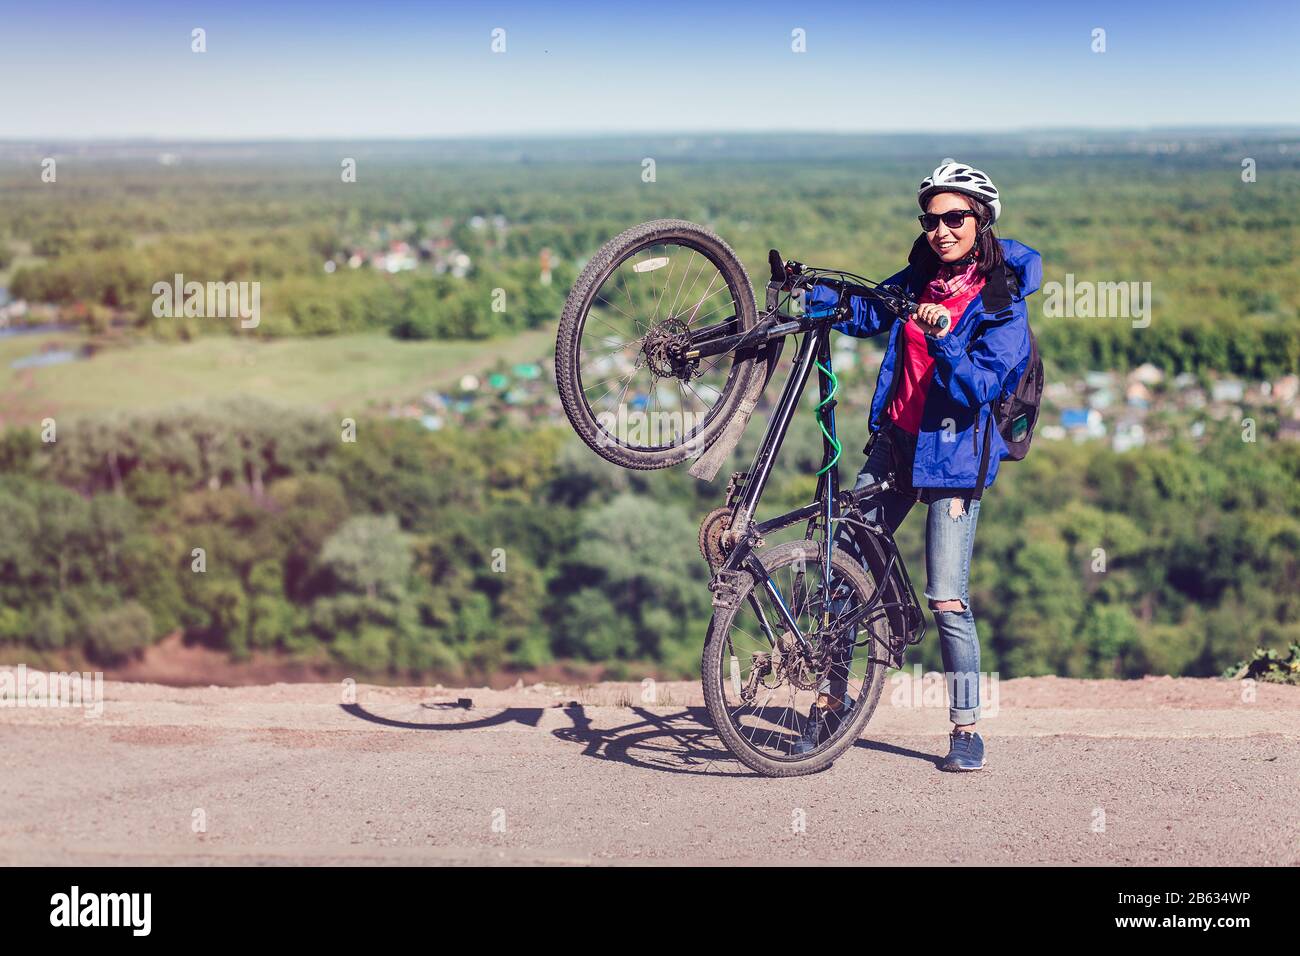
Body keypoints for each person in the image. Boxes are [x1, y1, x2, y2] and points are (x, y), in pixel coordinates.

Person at [795, 160, 1041, 771]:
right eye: (932, 219)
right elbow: (872, 311)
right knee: (838, 566)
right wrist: (815, 294)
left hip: (955, 458)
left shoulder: (1002, 300)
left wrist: (944, 337)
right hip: (897, 445)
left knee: (947, 599)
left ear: (981, 222)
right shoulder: (921, 276)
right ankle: (829, 709)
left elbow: (983, 385)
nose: (941, 229)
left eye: (955, 218)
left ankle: (965, 729)